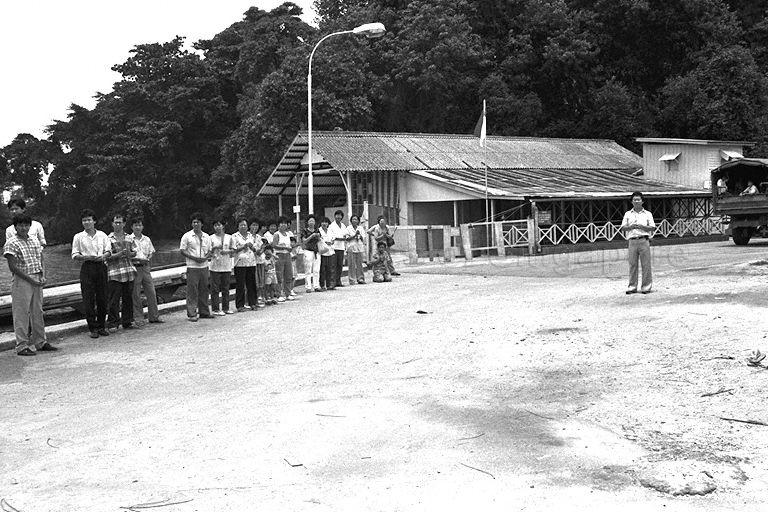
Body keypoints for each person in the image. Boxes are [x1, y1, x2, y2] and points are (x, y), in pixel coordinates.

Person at [4, 213, 57, 355]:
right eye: (20, 225)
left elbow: (41, 258)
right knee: (21, 313)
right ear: (15, 227)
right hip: (22, 279)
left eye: (26, 225)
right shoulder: (12, 243)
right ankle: (21, 345)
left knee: (37, 311)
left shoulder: (34, 240)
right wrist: (30, 279)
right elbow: (12, 267)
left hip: (37, 277)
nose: (24, 227)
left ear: (30, 226)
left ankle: (40, 341)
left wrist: (43, 275)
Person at [71, 209, 111, 338]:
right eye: (84, 220)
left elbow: (108, 251)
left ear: (94, 221)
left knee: (102, 297)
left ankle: (101, 326)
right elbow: (75, 255)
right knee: (88, 298)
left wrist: (104, 256)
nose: (86, 222)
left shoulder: (102, 235)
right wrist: (86, 257)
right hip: (87, 267)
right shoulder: (78, 237)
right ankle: (92, 328)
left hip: (101, 266)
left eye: (89, 220)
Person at [127, 217, 163, 325]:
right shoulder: (128, 239)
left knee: (151, 292)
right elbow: (128, 255)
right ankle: (138, 318)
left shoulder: (147, 239)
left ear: (142, 226)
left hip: (146, 267)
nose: (138, 227)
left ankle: (154, 316)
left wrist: (148, 257)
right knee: (136, 294)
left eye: (139, 225)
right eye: (135, 225)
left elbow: (151, 251)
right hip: (135, 267)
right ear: (132, 227)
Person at [179, 212, 213, 321]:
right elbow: (182, 250)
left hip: (204, 266)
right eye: (194, 222)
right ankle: (192, 313)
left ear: (202, 224)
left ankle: (204, 312)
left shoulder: (206, 236)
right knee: (192, 290)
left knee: (204, 289)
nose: (195, 224)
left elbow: (210, 250)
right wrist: (194, 258)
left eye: (198, 222)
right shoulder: (187, 236)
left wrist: (205, 257)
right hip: (192, 266)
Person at [106, 214, 137, 331]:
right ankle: (113, 323)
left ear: (124, 224)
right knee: (114, 299)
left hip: (128, 271)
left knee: (128, 298)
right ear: (112, 224)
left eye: (120, 222)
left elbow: (134, 252)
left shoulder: (129, 237)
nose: (118, 224)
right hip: (114, 272)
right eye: (116, 222)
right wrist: (118, 255)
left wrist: (130, 253)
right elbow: (106, 256)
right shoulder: (108, 239)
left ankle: (127, 321)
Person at [620, 191, 655, 294]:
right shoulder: (627, 214)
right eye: (634, 199)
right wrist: (631, 227)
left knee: (646, 264)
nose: (636, 201)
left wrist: (642, 227)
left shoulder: (648, 214)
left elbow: (652, 227)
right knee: (632, 264)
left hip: (644, 240)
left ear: (642, 201)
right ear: (631, 201)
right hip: (632, 241)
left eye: (638, 199)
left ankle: (646, 287)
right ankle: (632, 287)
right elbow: (623, 228)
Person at [209, 218, 234, 316]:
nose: (217, 227)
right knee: (215, 288)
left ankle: (226, 307)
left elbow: (233, 250)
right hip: (215, 265)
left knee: (226, 288)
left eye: (219, 225)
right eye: (215, 225)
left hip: (226, 265)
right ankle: (215, 309)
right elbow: (208, 252)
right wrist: (214, 248)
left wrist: (226, 251)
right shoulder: (211, 238)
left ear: (223, 226)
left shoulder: (229, 237)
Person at [232, 218, 257, 311]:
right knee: (240, 285)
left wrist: (252, 247)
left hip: (251, 262)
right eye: (241, 225)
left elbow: (255, 249)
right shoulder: (234, 236)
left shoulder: (251, 236)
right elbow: (234, 250)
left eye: (245, 225)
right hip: (240, 263)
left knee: (251, 283)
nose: (243, 227)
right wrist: (244, 246)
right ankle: (240, 305)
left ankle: (253, 303)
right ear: (238, 226)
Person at [273, 215, 297, 302]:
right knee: (279, 275)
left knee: (288, 275)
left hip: (287, 255)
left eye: (285, 223)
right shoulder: (277, 234)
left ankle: (288, 293)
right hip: (280, 255)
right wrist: (284, 248)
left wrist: (290, 248)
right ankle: (279, 294)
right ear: (278, 225)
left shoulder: (288, 234)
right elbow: (274, 245)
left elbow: (290, 245)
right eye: (281, 223)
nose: (283, 225)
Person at [301, 214, 321, 292]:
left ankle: (316, 285)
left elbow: (320, 240)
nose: (311, 222)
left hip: (316, 251)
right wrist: (312, 236)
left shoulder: (317, 230)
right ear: (307, 222)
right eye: (310, 221)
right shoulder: (305, 231)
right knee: (308, 269)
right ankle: (308, 286)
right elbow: (304, 241)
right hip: (308, 251)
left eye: (313, 221)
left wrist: (318, 236)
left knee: (316, 269)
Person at [250, 219, 267, 308]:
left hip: (260, 260)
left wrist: (262, 249)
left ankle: (260, 297)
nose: (255, 227)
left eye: (256, 225)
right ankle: (253, 300)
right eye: (253, 225)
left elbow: (260, 250)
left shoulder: (259, 237)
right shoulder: (249, 236)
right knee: (254, 281)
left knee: (261, 280)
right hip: (251, 262)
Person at [328, 210, 347, 287]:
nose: (338, 217)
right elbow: (332, 237)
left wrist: (342, 238)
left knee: (340, 265)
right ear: (334, 216)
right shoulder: (331, 226)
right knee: (333, 265)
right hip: (334, 248)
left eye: (340, 215)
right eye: (337, 215)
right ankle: (333, 282)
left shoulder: (343, 225)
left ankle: (338, 281)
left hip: (341, 248)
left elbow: (345, 235)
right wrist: (340, 238)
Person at [345, 214, 366, 285]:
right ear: (351, 221)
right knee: (351, 264)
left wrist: (359, 235)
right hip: (351, 247)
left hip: (359, 247)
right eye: (353, 219)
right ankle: (352, 279)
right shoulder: (348, 228)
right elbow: (347, 238)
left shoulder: (360, 228)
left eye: (356, 219)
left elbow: (363, 238)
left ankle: (360, 278)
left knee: (359, 264)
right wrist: (354, 235)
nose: (354, 220)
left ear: (358, 221)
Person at [318, 217, 335, 291]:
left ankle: (329, 284)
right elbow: (319, 240)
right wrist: (325, 242)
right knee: (322, 269)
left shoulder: (330, 230)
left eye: (326, 222)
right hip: (322, 251)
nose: (324, 224)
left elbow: (333, 238)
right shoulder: (319, 231)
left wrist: (332, 241)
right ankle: (322, 285)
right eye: (323, 222)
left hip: (330, 251)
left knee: (329, 268)